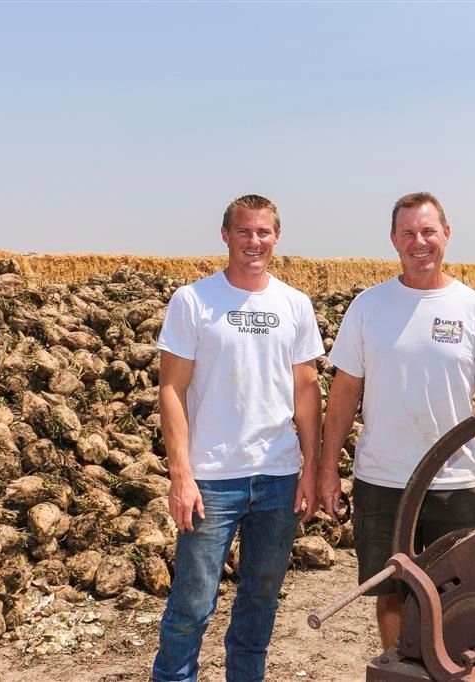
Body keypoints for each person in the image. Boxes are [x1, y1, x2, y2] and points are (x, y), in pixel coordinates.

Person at [318, 191, 475, 652]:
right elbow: (345, 393)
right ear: (394, 239)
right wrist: (328, 469)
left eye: (428, 231)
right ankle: (398, 670)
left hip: (456, 484)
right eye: (408, 232)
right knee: (390, 593)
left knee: (457, 596)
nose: (419, 241)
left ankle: (450, 673)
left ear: (446, 235)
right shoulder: (368, 307)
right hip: (381, 480)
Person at [152, 194, 323, 682]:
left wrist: (310, 469)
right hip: (211, 479)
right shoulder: (194, 301)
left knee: (261, 600)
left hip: (278, 477)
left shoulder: (295, 304)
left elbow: (306, 390)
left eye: (263, 232)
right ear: (226, 235)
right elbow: (171, 389)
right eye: (244, 231)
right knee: (192, 604)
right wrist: (181, 475)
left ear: (277, 237)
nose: (254, 241)